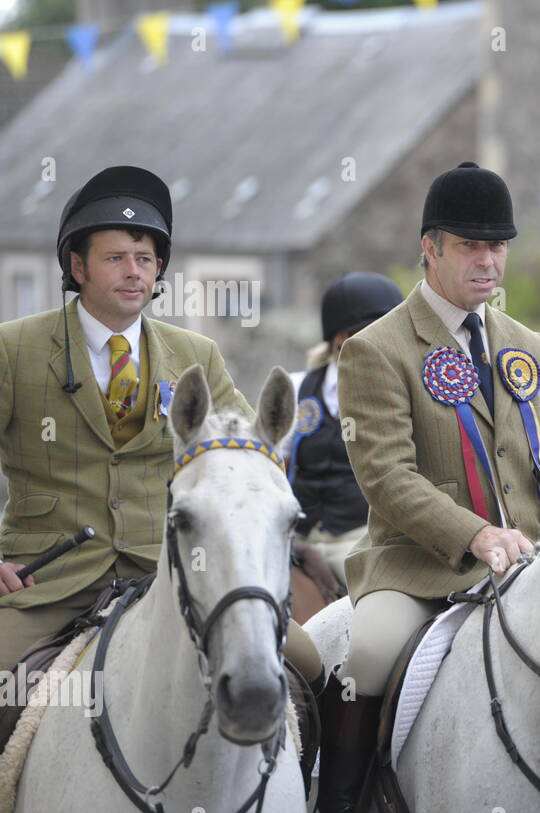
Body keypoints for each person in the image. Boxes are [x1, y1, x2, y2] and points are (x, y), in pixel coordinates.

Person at [322, 161, 540, 813]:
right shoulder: (378, 349)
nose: (488, 260)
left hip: (531, 566)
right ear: (430, 248)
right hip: (421, 570)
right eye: (470, 246)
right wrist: (475, 534)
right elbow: (387, 476)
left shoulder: (528, 347)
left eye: (497, 246)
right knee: (367, 656)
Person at [0, 165, 322, 685]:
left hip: (170, 574)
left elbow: (247, 459)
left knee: (307, 664)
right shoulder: (14, 348)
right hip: (50, 580)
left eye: (146, 259)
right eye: (116, 258)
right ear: (78, 267)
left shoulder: (197, 353)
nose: (134, 271)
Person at [287, 273, 404, 583]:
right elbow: (273, 462)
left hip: (357, 537)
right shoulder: (295, 389)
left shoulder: (400, 395)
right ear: (342, 341)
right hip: (296, 536)